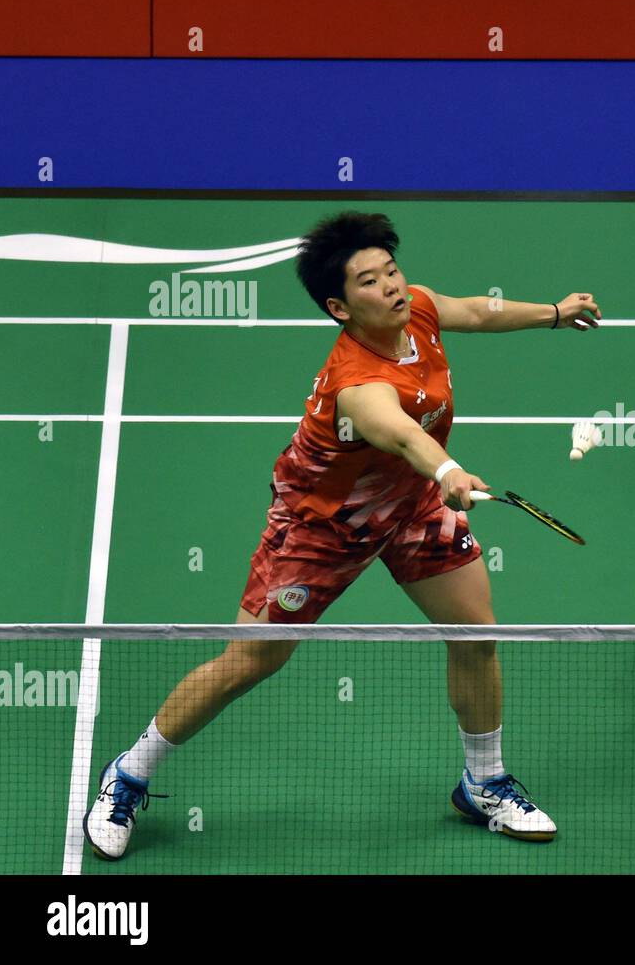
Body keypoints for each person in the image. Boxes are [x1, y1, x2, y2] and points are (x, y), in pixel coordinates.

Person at [85, 211, 601, 860]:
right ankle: (129, 774)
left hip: (410, 504)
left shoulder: (416, 309)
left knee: (475, 635)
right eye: (369, 281)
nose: (391, 286)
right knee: (250, 661)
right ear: (339, 306)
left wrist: (553, 313)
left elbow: (473, 310)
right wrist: (447, 471)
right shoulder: (357, 384)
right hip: (322, 525)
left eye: (392, 270)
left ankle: (484, 783)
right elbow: (401, 433)